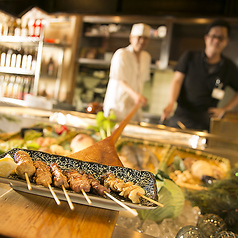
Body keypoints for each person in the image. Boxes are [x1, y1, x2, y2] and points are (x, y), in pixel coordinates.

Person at [161, 19, 238, 131]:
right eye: (213, 36)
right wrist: (170, 103)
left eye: (221, 38)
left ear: (227, 41)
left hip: (205, 121)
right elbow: (177, 80)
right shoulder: (190, 56)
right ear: (206, 38)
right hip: (181, 116)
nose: (216, 41)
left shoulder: (228, 66)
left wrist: (225, 109)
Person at [103, 23, 151, 121]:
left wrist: (139, 97)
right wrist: (136, 95)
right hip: (117, 105)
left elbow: (141, 82)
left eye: (145, 38)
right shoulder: (121, 54)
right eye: (139, 37)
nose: (142, 41)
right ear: (131, 38)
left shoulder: (146, 57)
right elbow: (120, 80)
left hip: (134, 107)